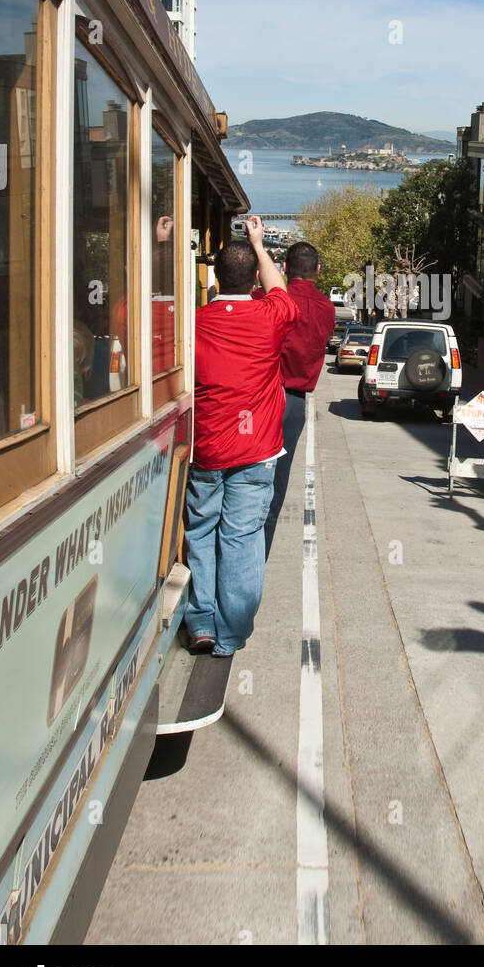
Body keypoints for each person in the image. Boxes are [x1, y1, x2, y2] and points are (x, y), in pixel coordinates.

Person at [184, 216, 298, 655]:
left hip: (207, 449)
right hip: (256, 451)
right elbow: (280, 290)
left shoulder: (194, 323)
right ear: (252, 279)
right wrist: (259, 243)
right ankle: (231, 633)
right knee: (241, 537)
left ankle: (201, 624)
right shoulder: (270, 316)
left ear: (214, 277)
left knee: (201, 532)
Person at [254, 241, 335, 556]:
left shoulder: (271, 300)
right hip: (298, 404)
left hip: (267, 398)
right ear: (317, 270)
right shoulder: (327, 308)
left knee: (250, 479)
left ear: (285, 268)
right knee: (277, 486)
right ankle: (260, 557)